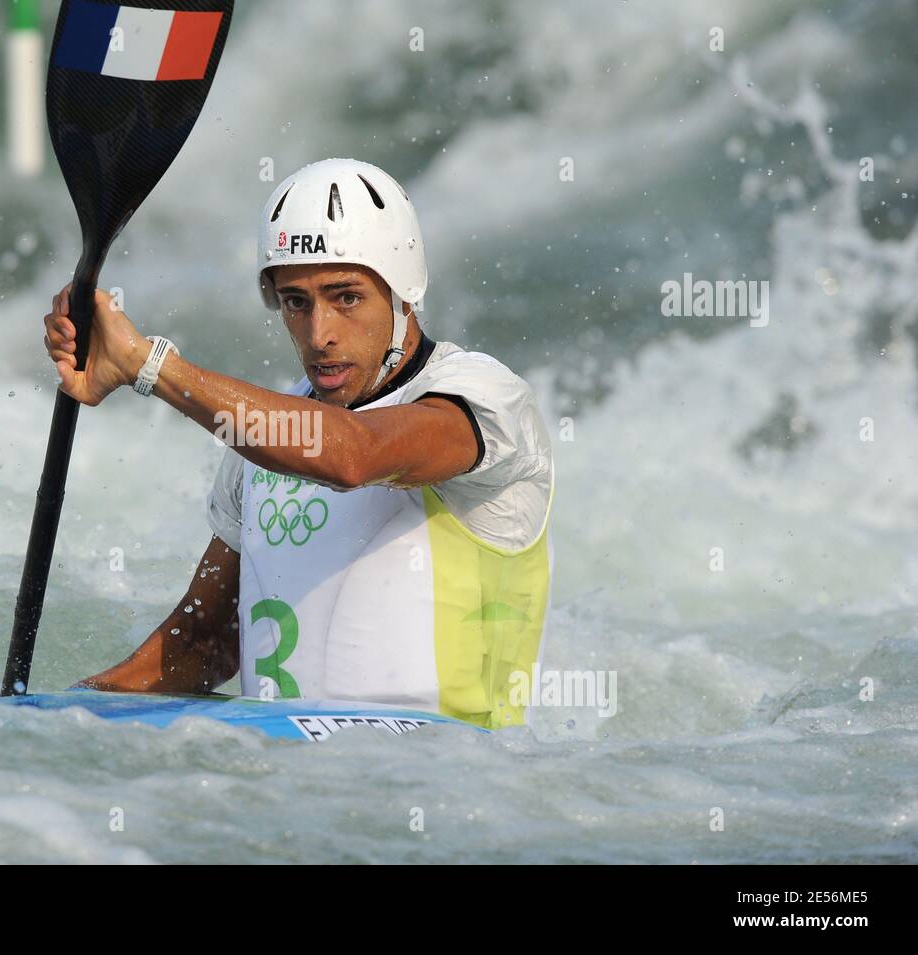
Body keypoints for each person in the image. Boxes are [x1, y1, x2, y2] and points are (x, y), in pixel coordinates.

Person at [45, 158, 553, 729]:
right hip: (292, 797)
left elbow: (356, 455)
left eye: (347, 297)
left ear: (403, 291)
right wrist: (62, 712)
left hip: (450, 789)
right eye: (296, 302)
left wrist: (149, 366)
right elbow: (202, 643)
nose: (320, 333)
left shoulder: (481, 399)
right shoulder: (261, 439)